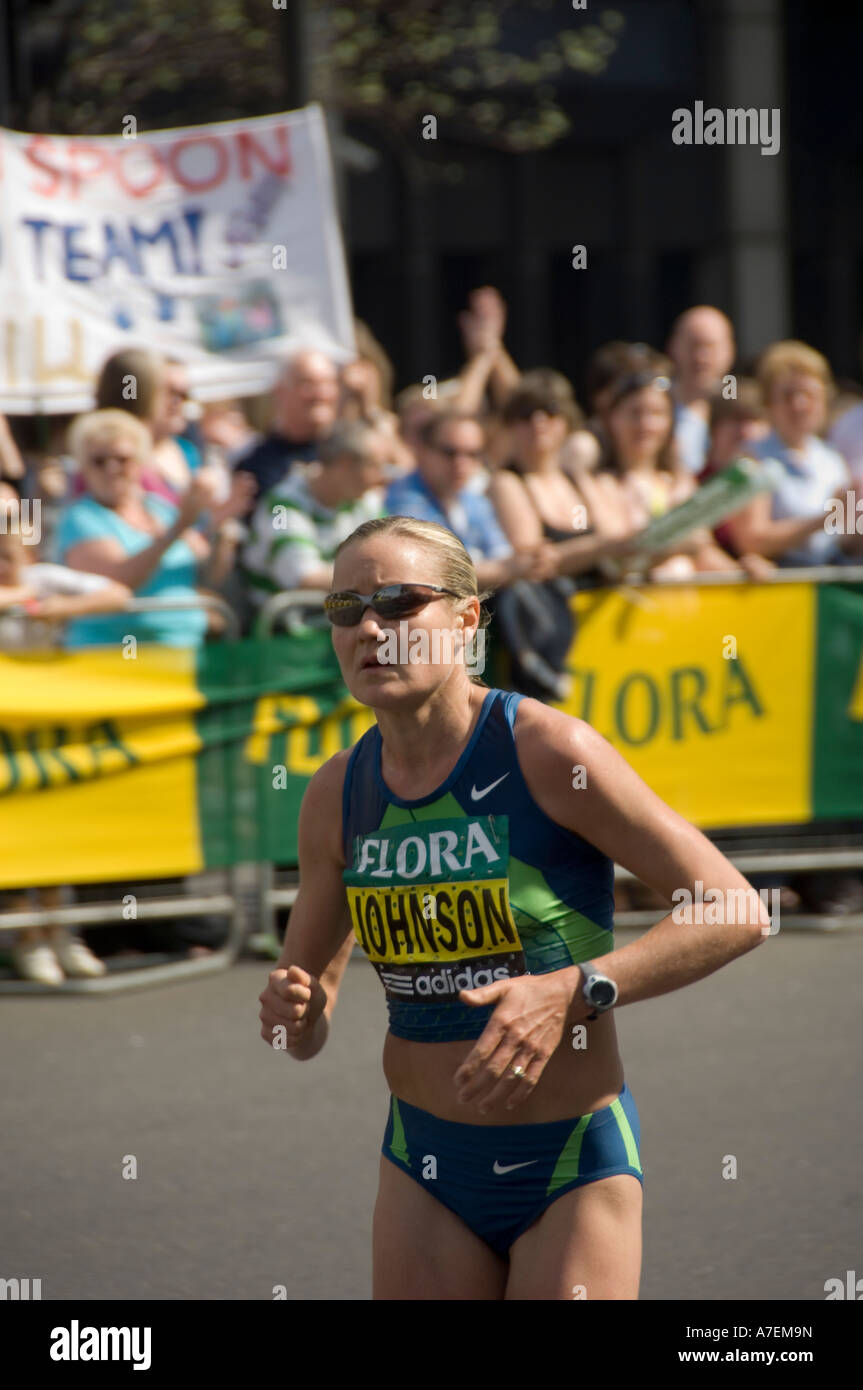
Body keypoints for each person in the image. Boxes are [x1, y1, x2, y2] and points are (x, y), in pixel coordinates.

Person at [257, 514, 769, 1300]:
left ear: (465, 620)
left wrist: (575, 988)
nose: (369, 627)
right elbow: (304, 1026)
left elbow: (733, 908)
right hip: (422, 1171)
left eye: (398, 602)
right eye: (345, 608)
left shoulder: (548, 752)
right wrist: (290, 1014)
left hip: (567, 1166)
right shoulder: (335, 791)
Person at [0, 519, 131, 984]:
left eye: (7, 550)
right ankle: (27, 937)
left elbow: (119, 592)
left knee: (49, 824)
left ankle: (58, 930)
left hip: (43, 725)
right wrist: (23, 603)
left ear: (25, 552)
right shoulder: (26, 590)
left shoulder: (44, 577)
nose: (2, 560)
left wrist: (62, 605)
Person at [55, 409, 247, 648]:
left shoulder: (161, 509)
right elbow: (121, 582)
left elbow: (208, 574)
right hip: (111, 661)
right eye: (99, 461)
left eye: (122, 459)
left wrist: (220, 527)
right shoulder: (79, 518)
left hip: (184, 654)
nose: (112, 469)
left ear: (140, 462)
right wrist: (179, 527)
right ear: (83, 467)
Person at [576, 371, 741, 578]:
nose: (646, 424)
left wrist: (743, 571)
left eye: (656, 414)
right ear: (613, 419)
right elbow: (614, 558)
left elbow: (702, 552)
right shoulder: (600, 485)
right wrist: (675, 546)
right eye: (635, 413)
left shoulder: (679, 482)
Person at [724, 341, 862, 567]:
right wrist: (825, 519)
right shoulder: (751, 457)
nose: (800, 404)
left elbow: (843, 542)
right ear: (768, 403)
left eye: (809, 394)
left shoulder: (831, 458)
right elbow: (750, 540)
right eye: (789, 395)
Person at [240, 419, 389, 605]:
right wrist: (379, 575)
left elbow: (388, 553)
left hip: (340, 613)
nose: (382, 477)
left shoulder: (366, 499)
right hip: (284, 625)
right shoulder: (281, 507)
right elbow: (305, 578)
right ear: (344, 464)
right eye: (375, 466)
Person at [233, 349, 340, 509]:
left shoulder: (350, 453)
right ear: (280, 392)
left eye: (328, 383)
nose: (321, 393)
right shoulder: (255, 465)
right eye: (308, 383)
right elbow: (274, 523)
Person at [667, 306, 737, 475]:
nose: (701, 357)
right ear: (674, 347)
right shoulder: (656, 407)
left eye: (710, 347)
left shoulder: (744, 406)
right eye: (693, 345)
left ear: (730, 351)